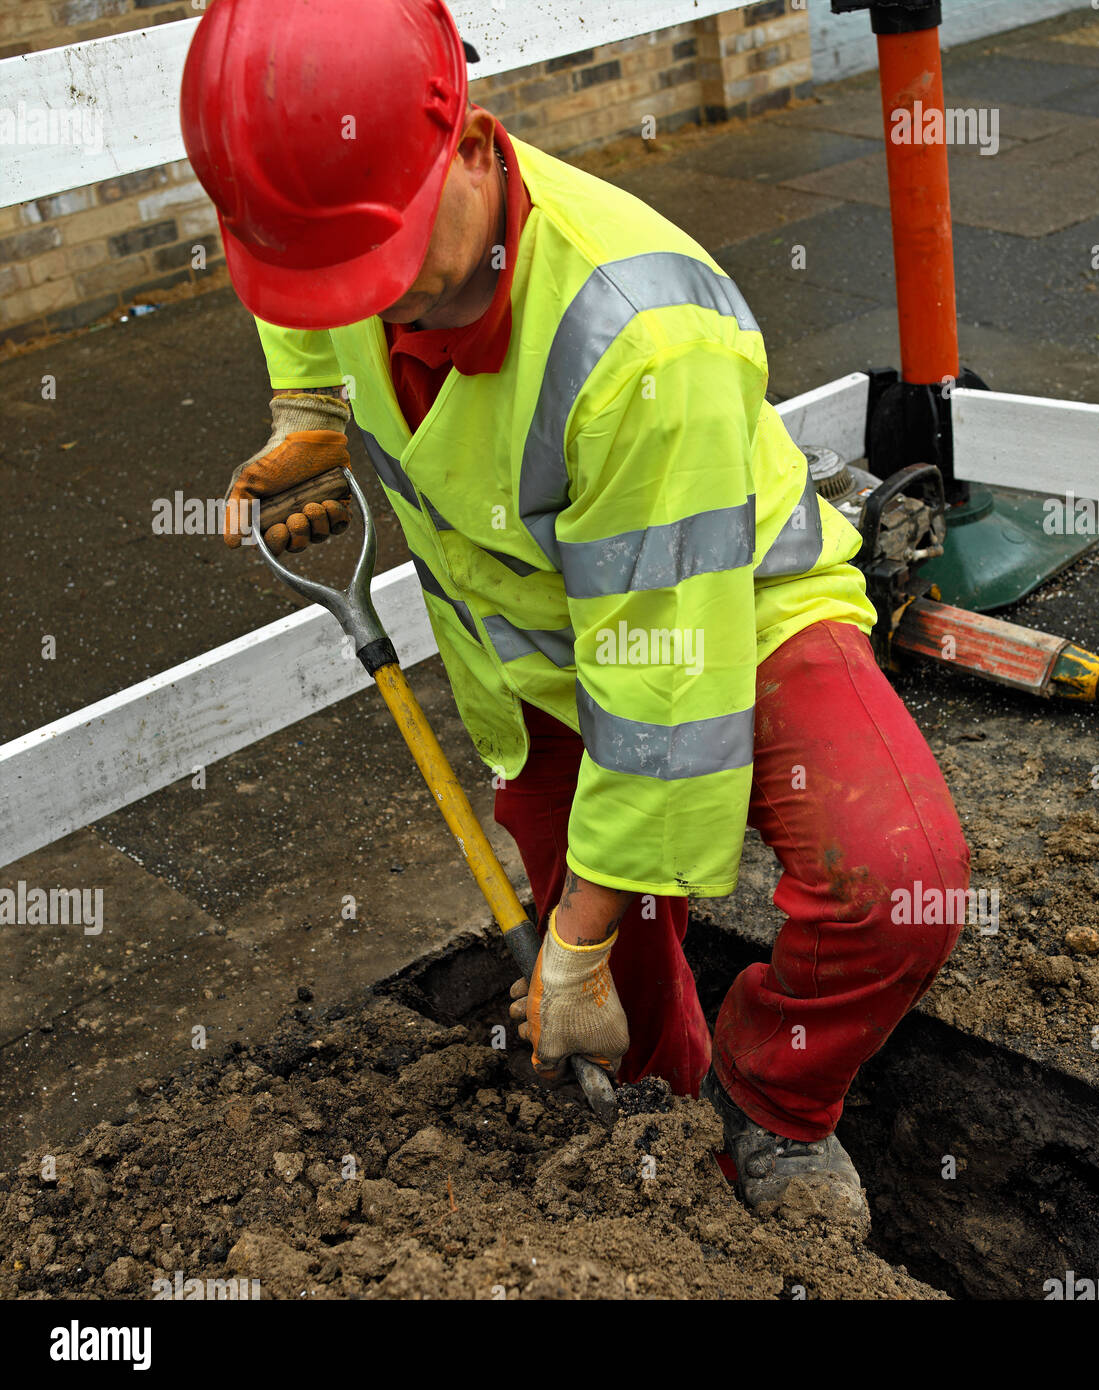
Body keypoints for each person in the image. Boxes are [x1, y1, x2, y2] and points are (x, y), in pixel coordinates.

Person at [181, 0, 970, 1223]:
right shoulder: (329, 204)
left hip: (726, 609)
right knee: (613, 985)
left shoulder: (641, 343)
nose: (368, 303)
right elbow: (296, 279)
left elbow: (666, 683)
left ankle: (773, 1103)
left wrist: (577, 946)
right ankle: (659, 1151)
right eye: (326, 271)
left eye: (384, 266)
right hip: (529, 657)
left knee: (893, 876)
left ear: (479, 147)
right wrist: (313, 418)